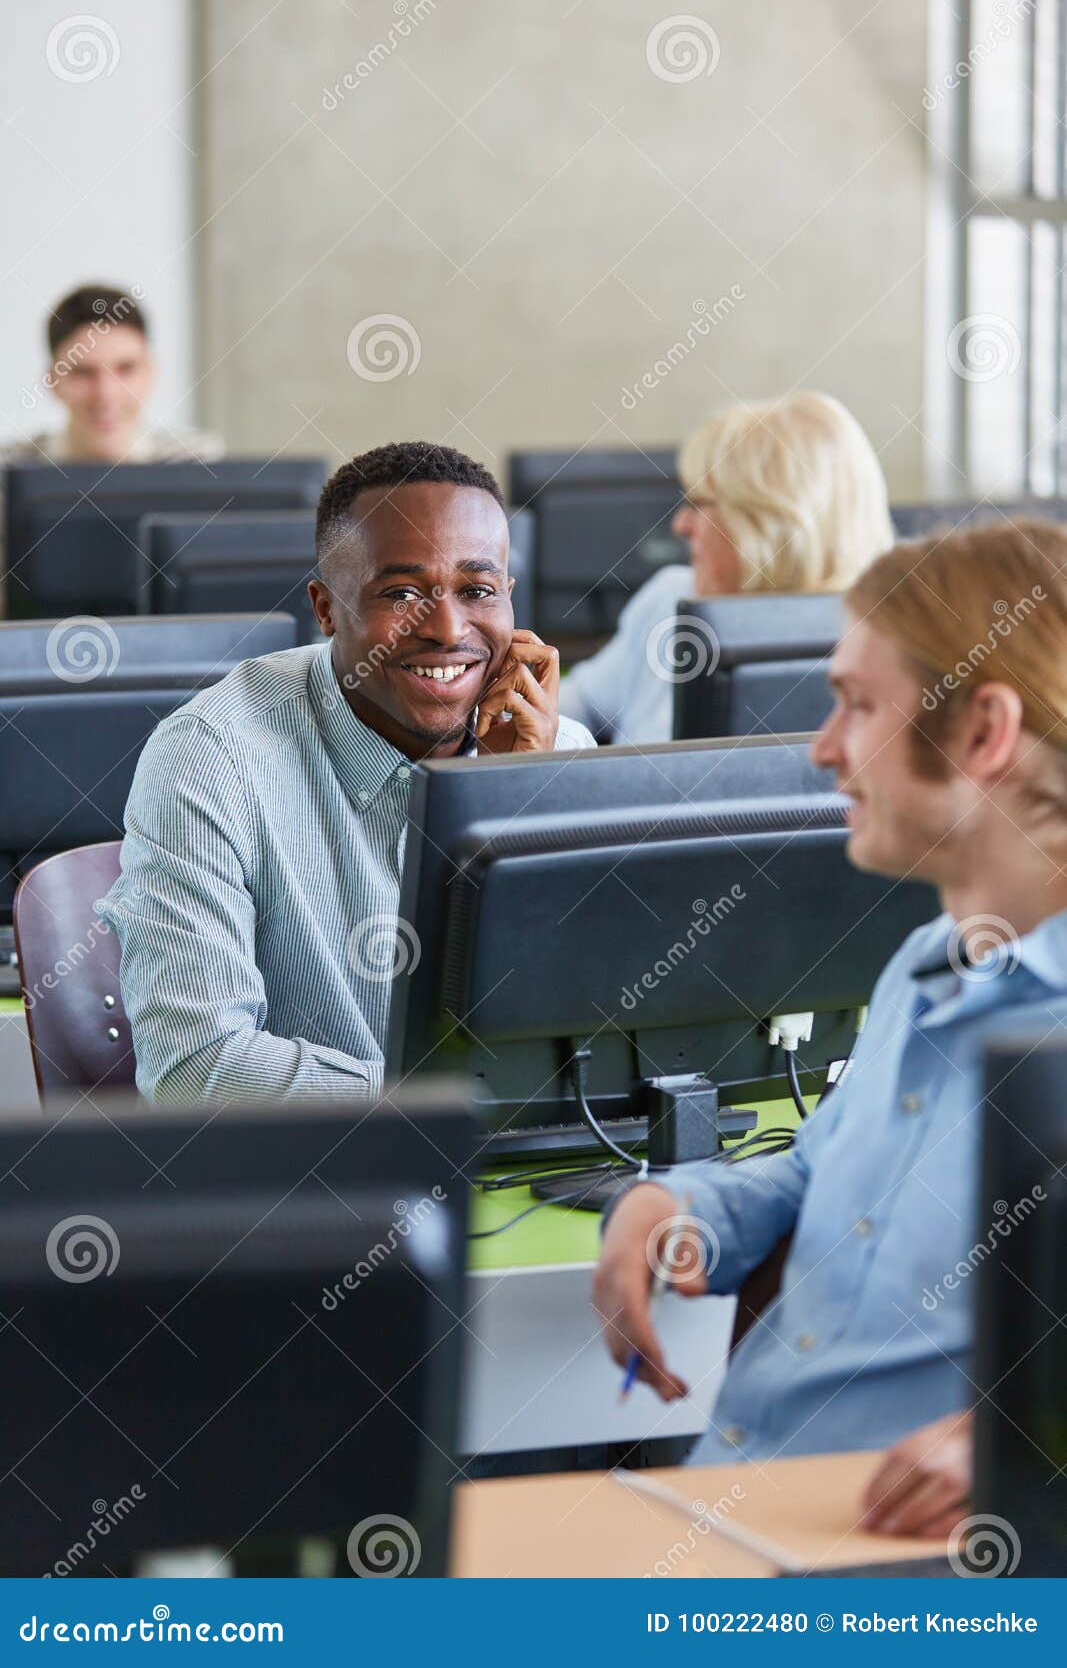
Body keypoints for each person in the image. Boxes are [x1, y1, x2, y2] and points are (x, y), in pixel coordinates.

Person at [593, 517, 1067, 1540]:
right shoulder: (930, 963)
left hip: (897, 1569)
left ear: (983, 732)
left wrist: (1026, 1440)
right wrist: (677, 1206)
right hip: (738, 1511)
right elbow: (821, 1177)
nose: (820, 749)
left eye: (855, 705)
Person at [98, 442, 594, 1106]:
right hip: (321, 1168)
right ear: (327, 608)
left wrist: (514, 797)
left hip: (537, 1157)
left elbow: (600, 1028)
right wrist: (445, 1108)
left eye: (477, 590)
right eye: (401, 593)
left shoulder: (555, 749)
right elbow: (194, 1069)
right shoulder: (211, 759)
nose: (447, 628)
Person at [559, 392, 894, 744]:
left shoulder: (875, 656)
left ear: (764, 523)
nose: (681, 525)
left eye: (700, 504)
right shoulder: (674, 596)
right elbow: (583, 701)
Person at [2, 283, 222, 467]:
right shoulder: (9, 470)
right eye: (83, 372)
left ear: (150, 373)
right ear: (53, 380)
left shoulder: (196, 463)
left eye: (126, 369)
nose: (106, 393)